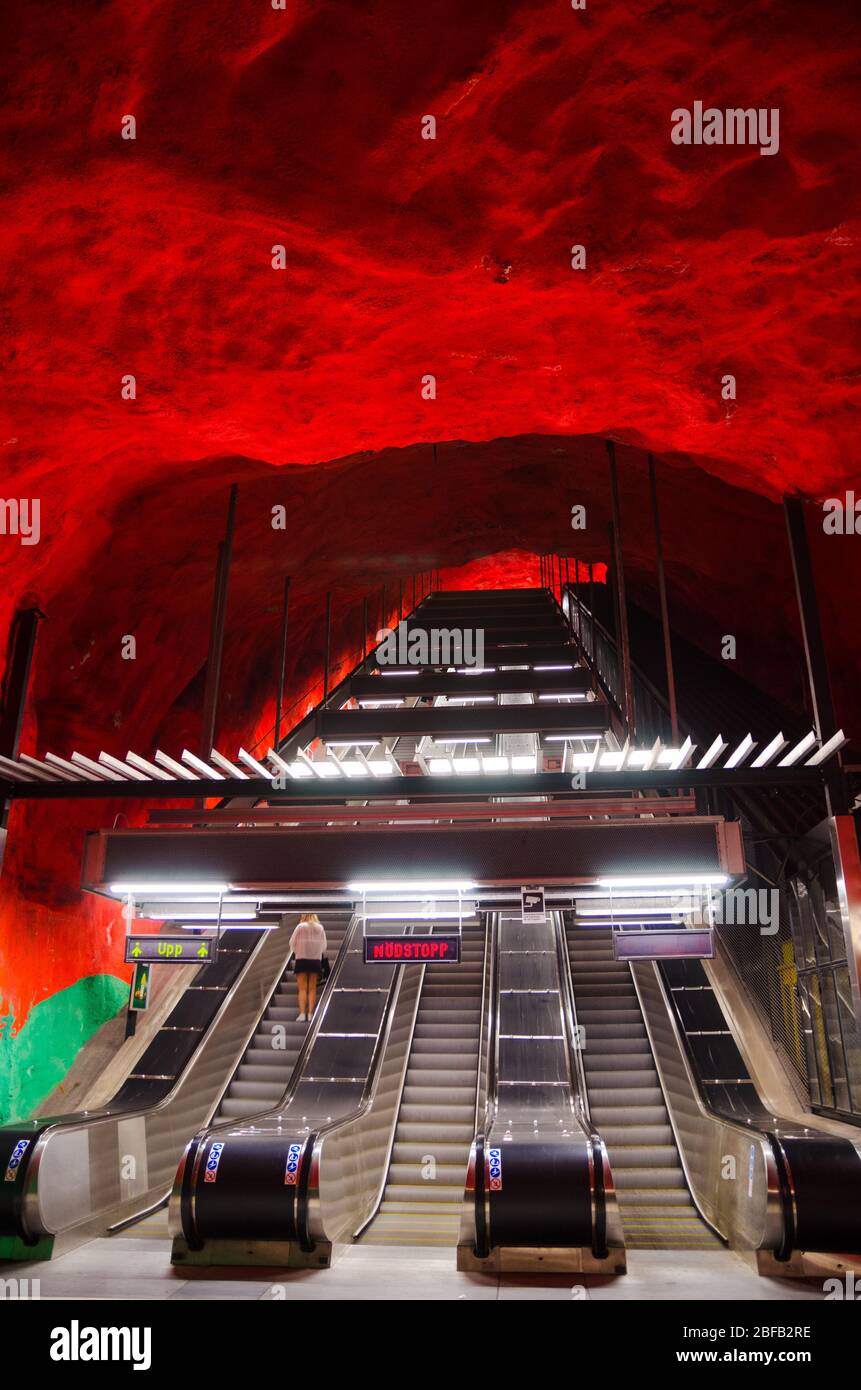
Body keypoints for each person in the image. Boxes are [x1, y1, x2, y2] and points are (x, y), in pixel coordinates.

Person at [289, 912, 327, 1022]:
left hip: (301, 959)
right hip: (315, 960)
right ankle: (310, 1014)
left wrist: (298, 951)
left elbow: (292, 942)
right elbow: (324, 946)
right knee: (312, 988)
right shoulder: (320, 928)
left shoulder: (300, 927)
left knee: (302, 988)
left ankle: (302, 1014)